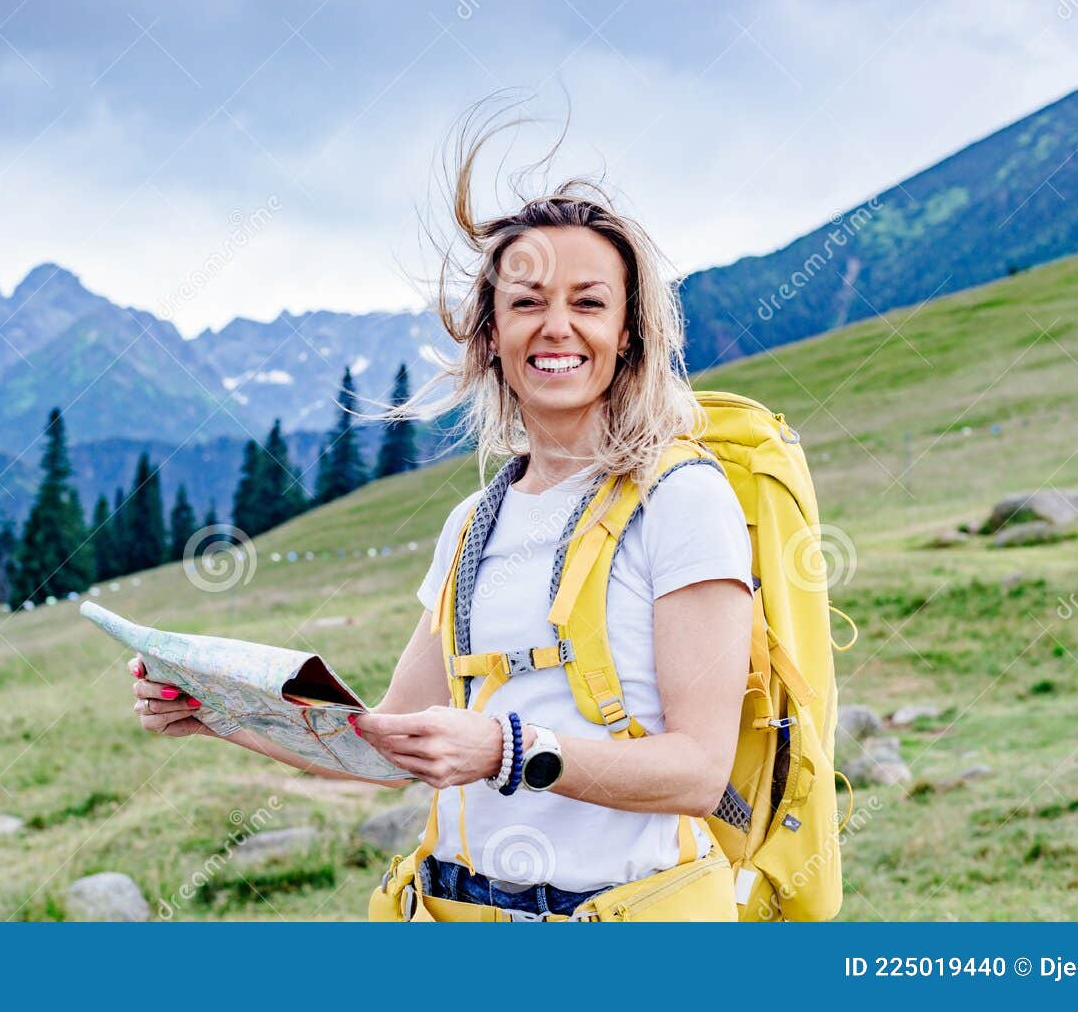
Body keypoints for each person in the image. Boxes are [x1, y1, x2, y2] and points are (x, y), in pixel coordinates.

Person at [126, 105, 753, 920]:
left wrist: (505, 749)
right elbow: (389, 743)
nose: (556, 327)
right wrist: (217, 714)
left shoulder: (684, 499)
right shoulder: (473, 523)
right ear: (489, 332)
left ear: (630, 332)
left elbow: (701, 772)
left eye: (588, 303)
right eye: (527, 302)